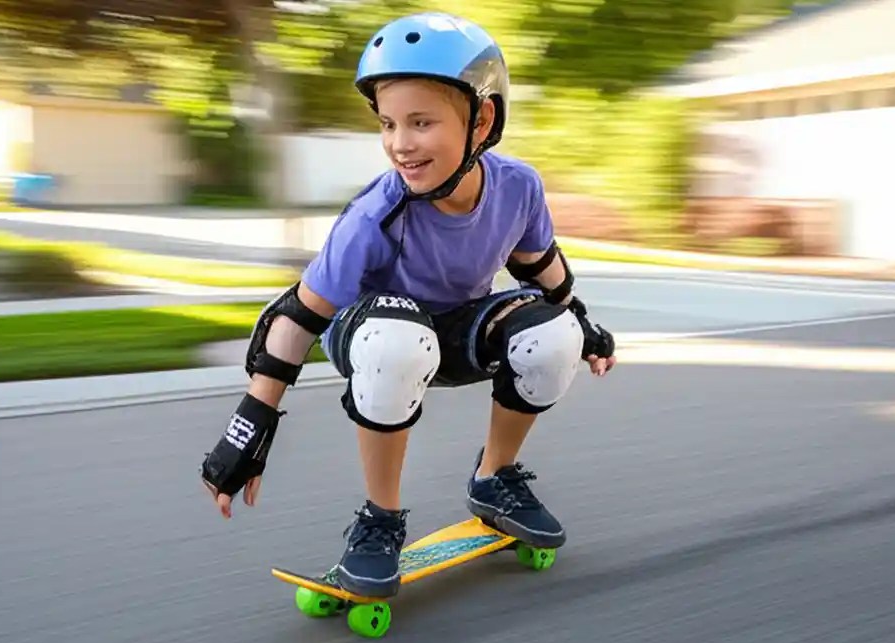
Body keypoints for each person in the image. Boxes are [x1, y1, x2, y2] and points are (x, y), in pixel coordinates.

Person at [199, 12, 618, 598]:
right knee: (398, 338)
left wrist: (584, 323)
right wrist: (248, 430)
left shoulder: (518, 186)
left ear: (482, 120)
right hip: (374, 336)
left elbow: (537, 265)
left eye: (421, 122)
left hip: (456, 331)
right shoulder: (377, 214)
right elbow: (296, 319)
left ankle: (494, 480)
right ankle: (379, 520)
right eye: (389, 123)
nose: (399, 144)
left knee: (554, 336)